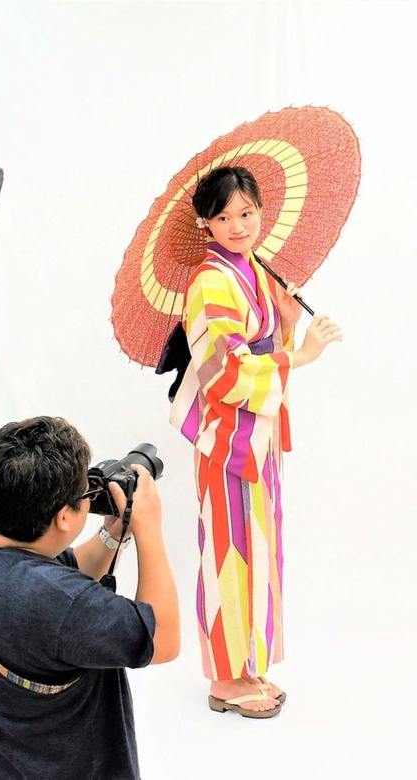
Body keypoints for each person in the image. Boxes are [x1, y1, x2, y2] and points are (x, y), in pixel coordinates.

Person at [169, 166, 342, 719]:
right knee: (227, 550)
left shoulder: (255, 272)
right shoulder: (209, 280)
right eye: (224, 216)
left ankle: (246, 664)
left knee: (258, 550)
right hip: (227, 443)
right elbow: (223, 374)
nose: (238, 226)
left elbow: (262, 344)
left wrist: (287, 321)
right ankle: (225, 677)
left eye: (247, 213)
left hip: (257, 439)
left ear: (262, 211)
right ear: (206, 223)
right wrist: (299, 354)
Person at [0, 416, 179, 779]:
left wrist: (113, 534)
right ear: (63, 518)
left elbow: (56, 577)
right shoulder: (65, 607)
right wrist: (149, 530)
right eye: (83, 495)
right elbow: (162, 638)